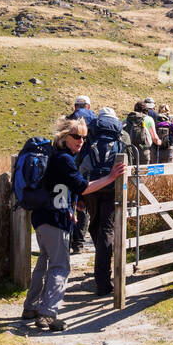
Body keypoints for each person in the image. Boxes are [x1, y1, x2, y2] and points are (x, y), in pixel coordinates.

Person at [21, 116, 124, 332]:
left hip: (42, 218)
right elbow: (83, 186)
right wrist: (111, 177)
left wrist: (72, 204)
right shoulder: (64, 159)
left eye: (84, 138)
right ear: (64, 136)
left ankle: (31, 308)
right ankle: (48, 314)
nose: (81, 141)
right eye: (76, 136)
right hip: (54, 220)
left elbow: (59, 187)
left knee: (44, 262)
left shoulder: (56, 156)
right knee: (60, 266)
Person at [81, 106, 125, 300]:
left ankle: (102, 272)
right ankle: (103, 282)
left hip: (91, 185)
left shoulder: (90, 131)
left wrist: (78, 194)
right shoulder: (121, 134)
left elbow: (79, 159)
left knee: (96, 226)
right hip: (113, 185)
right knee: (106, 230)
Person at [64, 96, 96, 252]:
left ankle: (67, 239)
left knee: (69, 202)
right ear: (88, 106)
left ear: (75, 106)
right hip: (87, 167)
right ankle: (79, 243)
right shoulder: (95, 120)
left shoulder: (69, 120)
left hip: (68, 164)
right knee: (82, 204)